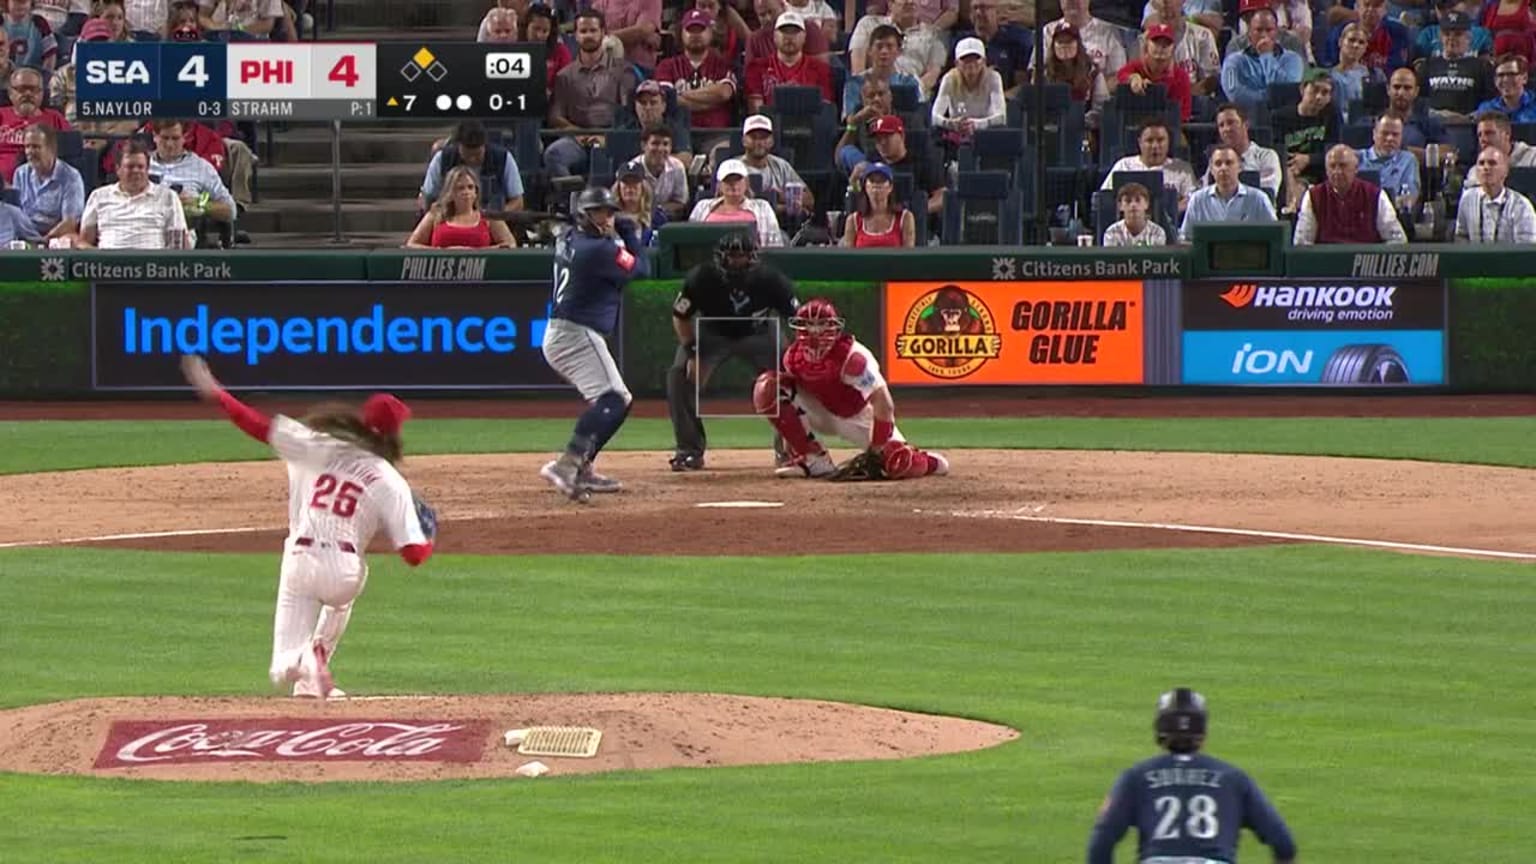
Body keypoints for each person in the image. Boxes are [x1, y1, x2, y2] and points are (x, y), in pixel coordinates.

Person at [178, 355, 435, 701]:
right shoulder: (389, 479)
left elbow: (256, 424)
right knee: (342, 599)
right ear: (394, 434)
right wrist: (429, 537)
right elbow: (414, 555)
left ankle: (303, 664)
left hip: (299, 561)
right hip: (344, 574)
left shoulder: (315, 445)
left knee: (280, 666)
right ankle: (311, 675)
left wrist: (218, 393)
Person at [1086, 688, 1298, 864]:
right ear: (1202, 734)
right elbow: (1284, 843)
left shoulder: (1136, 777)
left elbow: (1101, 843)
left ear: (1160, 731)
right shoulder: (1233, 778)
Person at [753, 297, 949, 480]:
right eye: (809, 324)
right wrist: (793, 447)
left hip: (859, 417)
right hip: (821, 410)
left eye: (821, 324)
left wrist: (876, 451)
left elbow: (884, 404)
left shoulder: (853, 358)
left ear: (834, 327)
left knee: (898, 462)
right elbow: (791, 399)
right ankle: (813, 460)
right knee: (768, 387)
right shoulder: (793, 357)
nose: (815, 331)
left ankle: (931, 463)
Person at [539, 186, 649, 502]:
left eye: (610, 212)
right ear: (584, 215)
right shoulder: (598, 250)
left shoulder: (568, 238)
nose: (608, 218)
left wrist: (609, 231)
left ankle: (582, 465)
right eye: (601, 212)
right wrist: (630, 235)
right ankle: (567, 464)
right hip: (576, 332)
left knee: (618, 399)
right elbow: (642, 269)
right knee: (613, 398)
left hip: (566, 332)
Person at [667, 231, 798, 471]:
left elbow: (796, 319)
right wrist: (692, 351)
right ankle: (689, 451)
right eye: (731, 256)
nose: (736, 261)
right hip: (712, 331)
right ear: (720, 258)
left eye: (742, 256)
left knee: (792, 376)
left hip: (760, 332)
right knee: (679, 374)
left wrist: (797, 354)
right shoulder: (702, 277)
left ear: (753, 257)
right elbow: (680, 316)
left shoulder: (771, 279)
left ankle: (790, 450)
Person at [1293, 143, 1408, 244]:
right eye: (1332, 166)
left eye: (1343, 166)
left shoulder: (1375, 195)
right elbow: (1302, 242)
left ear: (1356, 168)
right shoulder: (1313, 196)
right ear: (1326, 170)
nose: (1337, 172)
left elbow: (1397, 240)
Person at [404, 164, 516, 249]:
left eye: (470, 187)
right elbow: (411, 245)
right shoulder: (436, 216)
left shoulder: (489, 218)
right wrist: (440, 253)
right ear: (451, 193)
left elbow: (510, 245)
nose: (466, 192)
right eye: (460, 188)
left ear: (476, 192)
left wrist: (479, 253)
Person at [1454, 145, 1536, 241]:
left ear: (1505, 171)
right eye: (1481, 163)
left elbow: (1526, 249)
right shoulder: (1467, 199)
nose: (1486, 167)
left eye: (1492, 163)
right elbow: (1461, 237)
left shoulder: (1521, 206)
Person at [841, 161, 914, 246]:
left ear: (890, 187)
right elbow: (848, 256)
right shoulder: (853, 221)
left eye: (881, 181)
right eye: (872, 181)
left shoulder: (905, 218)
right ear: (865, 186)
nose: (876, 185)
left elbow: (908, 255)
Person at [1102, 182, 1168, 246]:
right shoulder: (1111, 232)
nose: (1133, 205)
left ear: (1147, 204)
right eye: (1128, 201)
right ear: (1120, 206)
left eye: (1138, 200)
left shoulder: (1157, 232)